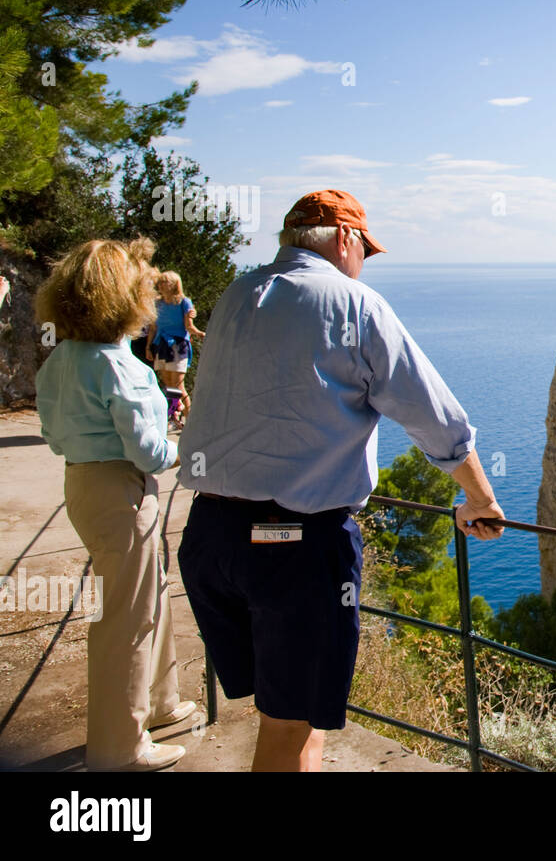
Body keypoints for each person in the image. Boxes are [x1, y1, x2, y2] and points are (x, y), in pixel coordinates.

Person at [177, 189, 505, 772]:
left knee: (292, 713)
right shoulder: (355, 304)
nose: (363, 263)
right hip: (293, 550)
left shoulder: (236, 294)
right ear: (347, 240)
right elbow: (434, 416)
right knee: (288, 724)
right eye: (365, 250)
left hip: (209, 539)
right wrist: (478, 497)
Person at [34, 238, 196, 771]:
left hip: (82, 484)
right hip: (123, 491)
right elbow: (149, 454)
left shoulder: (60, 359)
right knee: (126, 619)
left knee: (148, 598)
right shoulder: (120, 367)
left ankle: (159, 704)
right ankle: (118, 748)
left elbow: (55, 438)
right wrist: (188, 448)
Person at [146, 271, 204, 428]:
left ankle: (192, 421)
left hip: (178, 345)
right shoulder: (158, 304)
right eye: (161, 282)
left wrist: (199, 333)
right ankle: (175, 417)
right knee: (169, 385)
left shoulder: (184, 302)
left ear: (174, 284)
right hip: (162, 345)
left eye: (165, 282)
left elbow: (189, 326)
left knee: (178, 385)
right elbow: (153, 327)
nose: (161, 285)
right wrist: (149, 347)